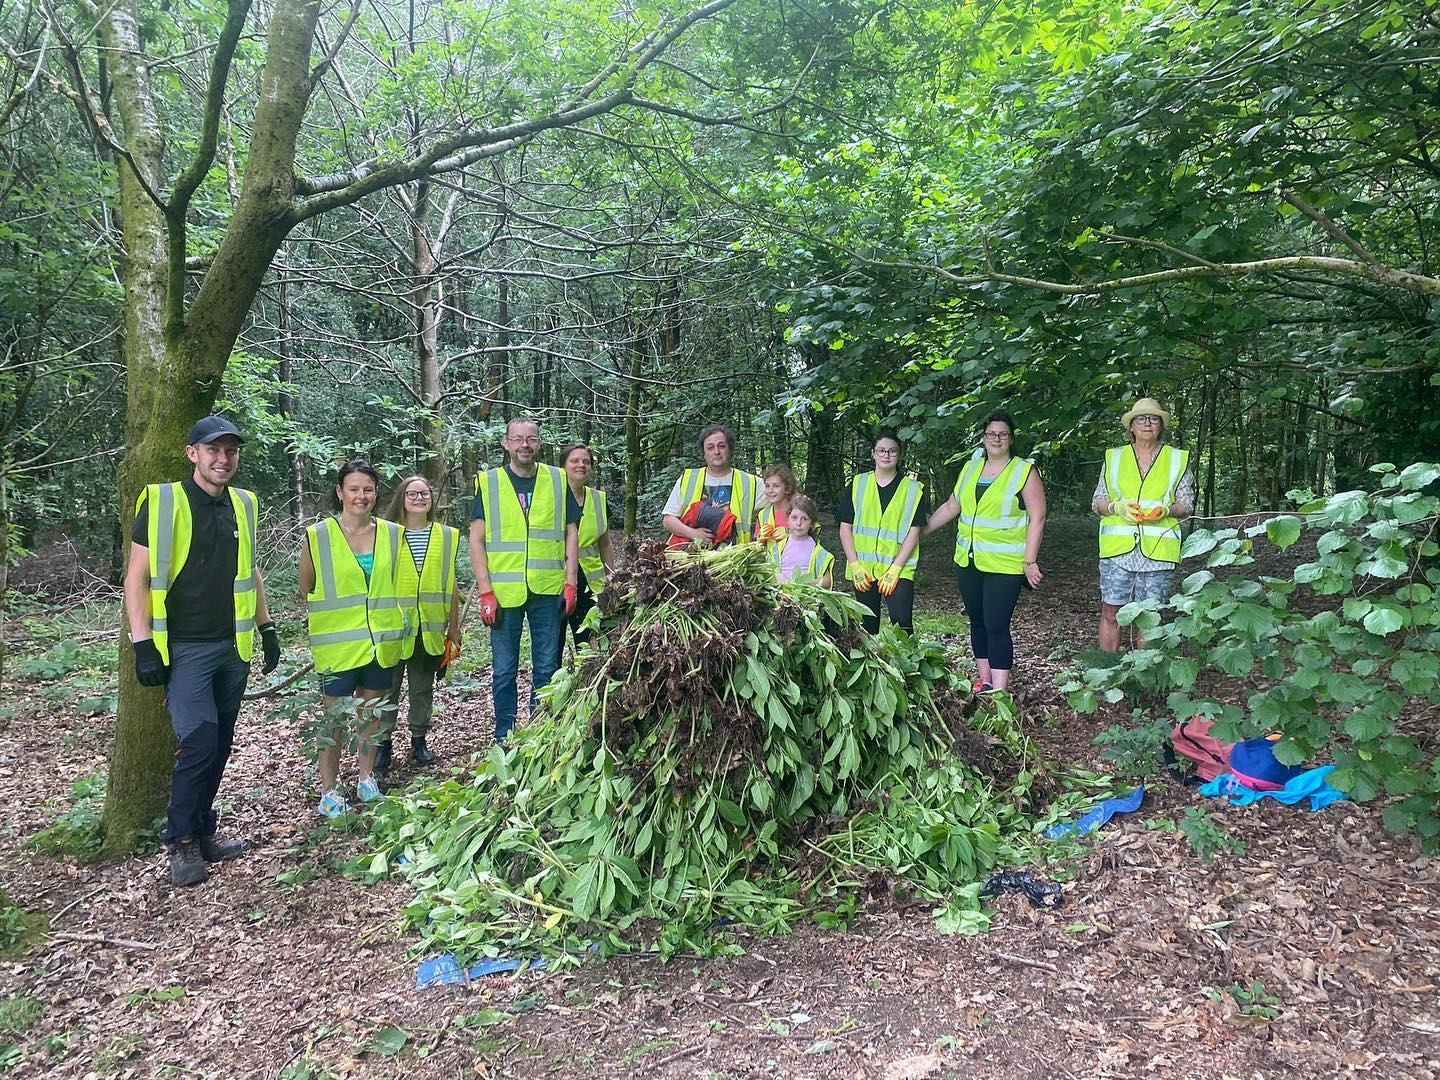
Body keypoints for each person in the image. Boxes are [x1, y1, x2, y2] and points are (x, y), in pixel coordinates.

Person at [125, 415, 281, 887]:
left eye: (231, 450)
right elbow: (135, 577)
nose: (223, 458)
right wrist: (142, 643)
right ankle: (181, 841)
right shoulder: (163, 500)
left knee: (219, 744)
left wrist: (267, 627)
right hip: (185, 647)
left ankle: (203, 830)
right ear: (193, 453)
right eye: (213, 450)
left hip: (233, 646)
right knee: (197, 743)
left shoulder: (245, 504)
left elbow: (249, 570)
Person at [299, 459, 407, 817]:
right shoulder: (318, 536)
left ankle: (366, 779)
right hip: (338, 645)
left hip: (380, 641)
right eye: (354, 489)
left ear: (377, 493)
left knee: (371, 714)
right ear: (340, 492)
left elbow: (401, 585)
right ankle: (329, 792)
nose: (361, 496)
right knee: (334, 720)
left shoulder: (393, 533)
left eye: (368, 489)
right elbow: (307, 586)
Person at [469, 417, 580, 741]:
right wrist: (485, 591)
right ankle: (504, 734)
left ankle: (539, 731)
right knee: (504, 671)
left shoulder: (558, 480)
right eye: (517, 439)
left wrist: (570, 581)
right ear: (506, 443)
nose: (524, 445)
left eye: (531, 439)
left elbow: (570, 531)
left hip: (547, 590)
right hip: (504, 593)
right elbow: (476, 539)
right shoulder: (489, 483)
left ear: (539, 443)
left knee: (547, 666)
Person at [923, 412, 1046, 692]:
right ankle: (985, 680)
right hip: (968, 559)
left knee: (996, 624)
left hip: (1005, 564)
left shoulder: (1024, 471)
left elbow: (1037, 518)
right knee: (977, 621)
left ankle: (1000, 692)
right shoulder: (970, 468)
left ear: (1011, 439)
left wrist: (1030, 561)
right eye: (991, 434)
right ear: (983, 437)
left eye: (1003, 434)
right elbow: (952, 506)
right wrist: (918, 533)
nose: (997, 439)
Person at [1091, 397, 1195, 651]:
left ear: (1161, 426)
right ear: (1131, 426)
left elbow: (1187, 504)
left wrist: (1167, 510)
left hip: (1158, 550)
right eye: (1141, 418)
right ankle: (1107, 674)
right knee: (1111, 613)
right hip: (1118, 550)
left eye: (1154, 419)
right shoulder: (1114, 457)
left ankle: (1142, 676)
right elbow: (1098, 502)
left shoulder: (1176, 458)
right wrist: (1116, 507)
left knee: (1150, 618)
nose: (1148, 423)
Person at [375, 475, 462, 773]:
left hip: (430, 628)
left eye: (425, 493)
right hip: (394, 629)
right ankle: (382, 745)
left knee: (422, 689)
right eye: (412, 493)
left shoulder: (447, 535)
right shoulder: (385, 535)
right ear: (402, 498)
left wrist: (454, 629)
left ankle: (419, 741)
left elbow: (451, 586)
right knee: (388, 689)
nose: (419, 498)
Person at [837, 430, 928, 634]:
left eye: (892, 451)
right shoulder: (858, 484)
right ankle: (874, 666)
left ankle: (906, 666)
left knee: (902, 624)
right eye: (881, 451)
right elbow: (845, 528)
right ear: (873, 454)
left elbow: (914, 533)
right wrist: (854, 565)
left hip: (899, 567)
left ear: (900, 455)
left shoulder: (913, 490)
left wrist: (895, 569)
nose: (886, 455)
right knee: (867, 626)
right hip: (864, 568)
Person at [661, 424, 768, 546]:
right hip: (690, 559)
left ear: (730, 449)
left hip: (733, 560)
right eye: (710, 448)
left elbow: (785, 498)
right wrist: (692, 533)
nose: (716, 452)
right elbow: (668, 520)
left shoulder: (750, 483)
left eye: (721, 446)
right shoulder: (688, 479)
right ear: (704, 453)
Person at [559, 442, 613, 655]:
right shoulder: (551, 498)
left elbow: (605, 543)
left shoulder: (599, 500)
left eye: (586, 461)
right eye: (574, 461)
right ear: (563, 466)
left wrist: (611, 577)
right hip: (558, 581)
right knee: (553, 645)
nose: (581, 465)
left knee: (591, 645)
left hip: (591, 584)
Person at [767, 493, 834, 587]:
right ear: (788, 520)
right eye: (794, 518)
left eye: (804, 519)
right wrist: (777, 577)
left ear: (811, 523)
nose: (798, 523)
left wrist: (803, 583)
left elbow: (827, 581)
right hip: (781, 597)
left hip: (807, 599)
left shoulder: (817, 550)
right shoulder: (776, 550)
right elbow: (768, 573)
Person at [755, 464, 797, 542]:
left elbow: (813, 537)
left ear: (788, 489)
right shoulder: (763, 514)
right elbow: (759, 545)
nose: (770, 490)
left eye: (776, 486)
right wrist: (760, 538)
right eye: (767, 486)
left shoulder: (800, 511)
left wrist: (789, 533)